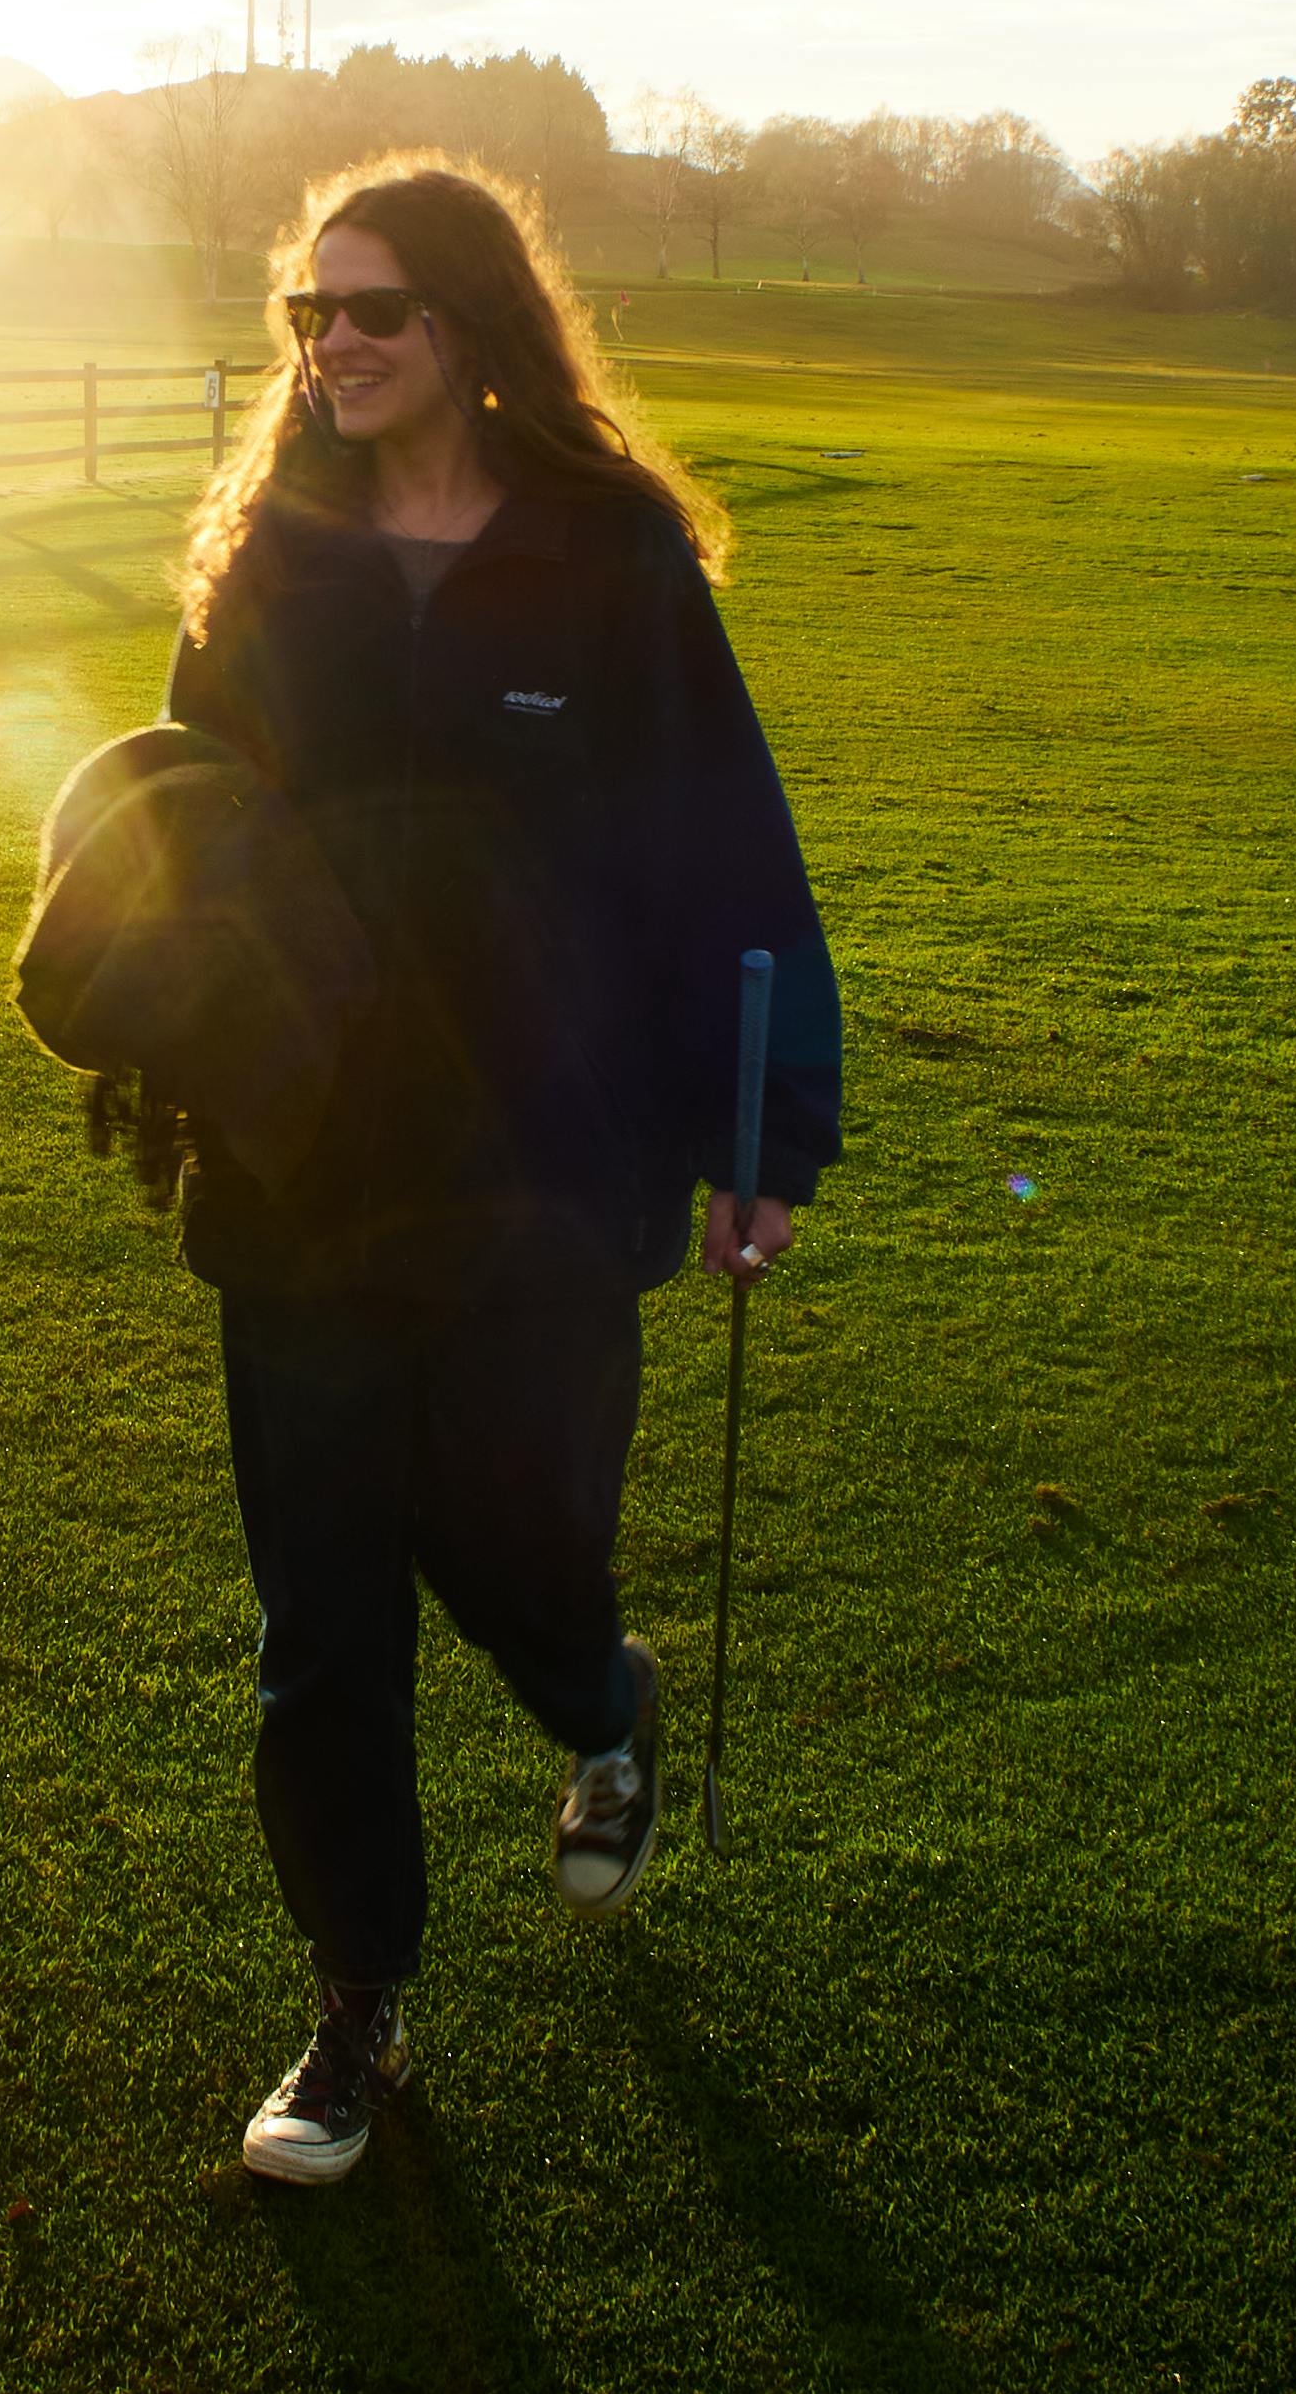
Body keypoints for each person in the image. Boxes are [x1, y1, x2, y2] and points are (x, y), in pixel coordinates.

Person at [153, 153, 840, 2187]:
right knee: (322, 1623)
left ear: (466, 329)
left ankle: (596, 1694)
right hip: (305, 1167)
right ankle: (353, 2002)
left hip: (549, 1158)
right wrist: (155, 986)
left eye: (372, 312)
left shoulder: (609, 561)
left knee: (521, 1535)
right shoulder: (269, 561)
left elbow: (733, 859)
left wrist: (761, 1132)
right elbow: (182, 820)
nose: (332, 346)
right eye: (307, 316)